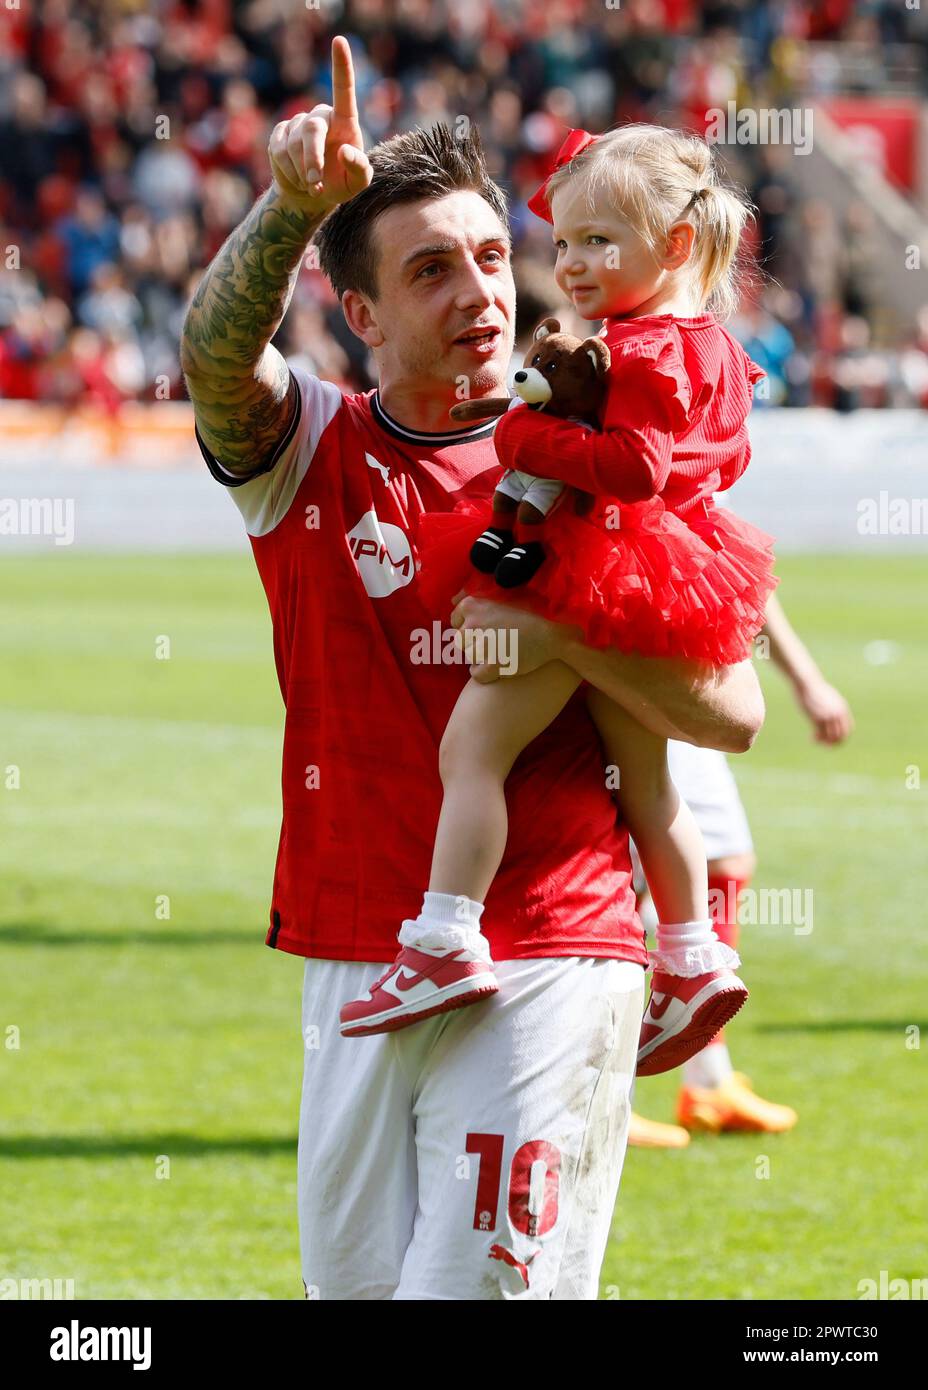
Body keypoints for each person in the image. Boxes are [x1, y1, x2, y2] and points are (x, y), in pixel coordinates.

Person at [180, 37, 765, 1300]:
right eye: (432, 269)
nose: (482, 293)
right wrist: (290, 206)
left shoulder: (597, 459)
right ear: (362, 313)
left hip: (557, 945)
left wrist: (560, 631)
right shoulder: (315, 453)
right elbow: (216, 363)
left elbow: (734, 710)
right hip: (358, 952)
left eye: (496, 256)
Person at [340, 125, 778, 1081]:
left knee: (473, 748)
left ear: (671, 248)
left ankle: (446, 935)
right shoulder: (698, 340)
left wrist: (529, 442)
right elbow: (719, 460)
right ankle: (695, 956)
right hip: (661, 566)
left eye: (599, 243)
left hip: (601, 571)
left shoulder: (646, 349)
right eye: (566, 242)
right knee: (647, 784)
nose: (572, 264)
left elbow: (638, 465)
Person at [629, 592, 855, 1146]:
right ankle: (604, 1089)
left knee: (723, 862)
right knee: (625, 879)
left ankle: (707, 1078)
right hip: (640, 654)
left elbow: (749, 583)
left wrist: (806, 680)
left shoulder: (712, 506)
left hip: (697, 663)